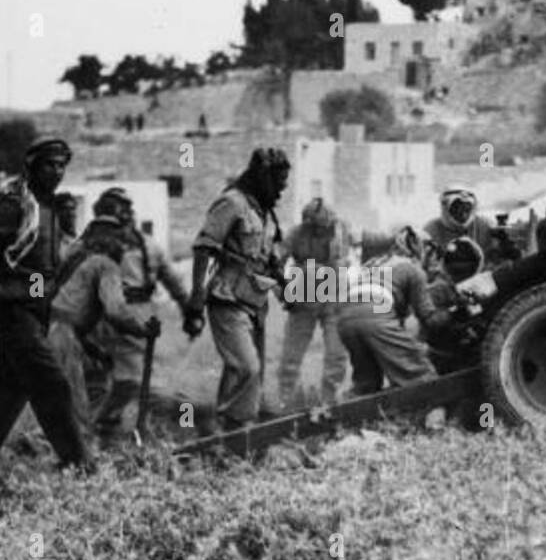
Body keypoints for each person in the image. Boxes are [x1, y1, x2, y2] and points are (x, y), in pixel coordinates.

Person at [0, 137, 88, 469]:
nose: (57, 171)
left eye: (61, 165)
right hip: (12, 311)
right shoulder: (17, 206)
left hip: (32, 310)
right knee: (53, 383)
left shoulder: (49, 209)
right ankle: (79, 465)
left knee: (7, 391)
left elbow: (46, 267)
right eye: (49, 164)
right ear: (31, 166)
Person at [185, 147, 290, 431]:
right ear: (264, 177)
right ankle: (235, 429)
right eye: (279, 182)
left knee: (245, 372)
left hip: (255, 304)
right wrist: (196, 297)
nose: (283, 188)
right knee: (247, 368)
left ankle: (230, 435)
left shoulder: (265, 212)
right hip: (227, 299)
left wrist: (289, 290)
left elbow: (270, 261)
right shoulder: (232, 203)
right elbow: (203, 247)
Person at [83, 188, 191, 438]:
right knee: (114, 379)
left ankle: (116, 422)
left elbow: (172, 280)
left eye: (125, 209)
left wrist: (189, 311)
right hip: (104, 319)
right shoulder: (94, 246)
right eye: (113, 211)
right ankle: (96, 425)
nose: (123, 216)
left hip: (141, 316)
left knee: (136, 377)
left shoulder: (148, 246)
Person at [46, 205, 156, 448]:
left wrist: (93, 350)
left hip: (52, 330)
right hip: (61, 333)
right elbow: (115, 311)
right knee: (75, 404)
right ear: (108, 239)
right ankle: (81, 460)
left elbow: (68, 307)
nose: (122, 245)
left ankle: (58, 443)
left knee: (87, 387)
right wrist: (143, 330)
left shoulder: (77, 259)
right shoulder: (105, 265)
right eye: (118, 238)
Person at [338, 226, 448, 396]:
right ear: (417, 247)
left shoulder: (373, 263)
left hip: (345, 320)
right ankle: (435, 417)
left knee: (366, 383)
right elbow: (429, 319)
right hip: (374, 316)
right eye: (428, 250)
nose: (432, 258)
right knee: (421, 375)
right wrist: (455, 311)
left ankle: (345, 416)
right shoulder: (413, 269)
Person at [276, 197, 351, 410]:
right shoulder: (295, 234)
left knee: (336, 353)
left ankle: (330, 400)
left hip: (334, 296)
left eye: (327, 226)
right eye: (318, 228)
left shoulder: (342, 229)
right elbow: (274, 264)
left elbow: (362, 245)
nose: (324, 231)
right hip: (304, 295)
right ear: (308, 224)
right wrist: (284, 293)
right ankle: (286, 400)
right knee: (292, 355)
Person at [422, 185, 502, 270]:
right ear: (445, 208)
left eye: (467, 209)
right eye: (457, 208)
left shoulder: (485, 226)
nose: (463, 214)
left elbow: (495, 259)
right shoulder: (431, 229)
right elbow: (427, 265)